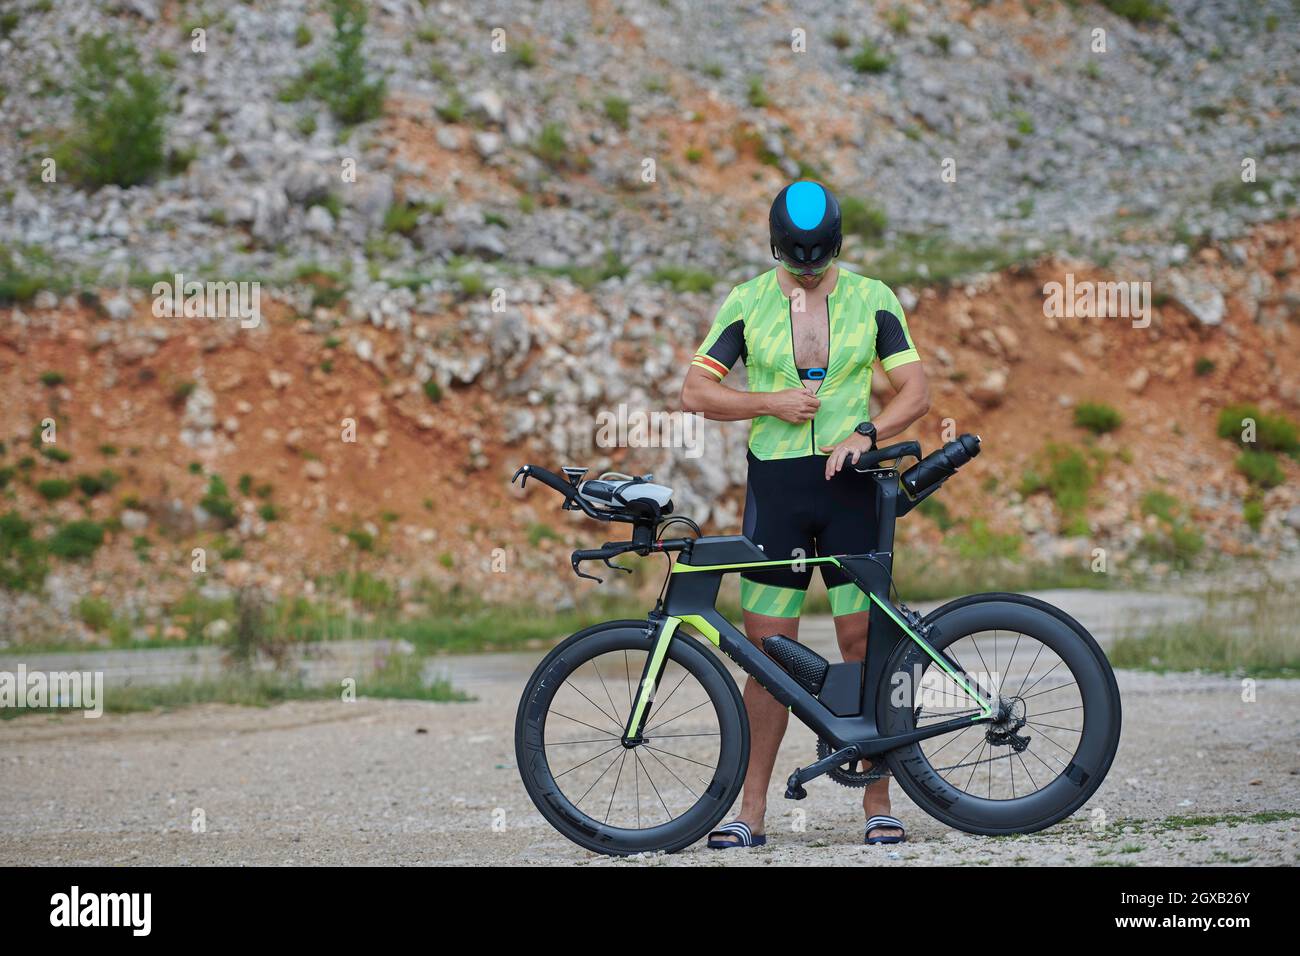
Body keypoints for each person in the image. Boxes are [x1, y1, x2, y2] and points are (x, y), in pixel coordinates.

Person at [679, 181, 931, 848]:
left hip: (852, 487)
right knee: (766, 657)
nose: (810, 270)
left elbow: (917, 389)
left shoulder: (874, 298)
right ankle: (750, 811)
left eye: (820, 260)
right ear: (776, 247)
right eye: (798, 260)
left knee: (865, 647)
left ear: (838, 246)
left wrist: (868, 434)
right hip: (779, 494)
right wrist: (769, 402)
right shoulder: (746, 300)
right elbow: (695, 390)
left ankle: (878, 804)